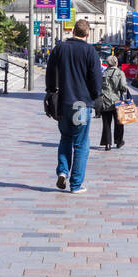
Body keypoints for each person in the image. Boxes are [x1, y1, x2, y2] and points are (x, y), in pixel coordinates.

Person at [44, 18, 103, 193]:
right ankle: (76, 184)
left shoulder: (59, 48)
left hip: (63, 102)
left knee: (65, 138)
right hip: (81, 103)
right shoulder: (90, 52)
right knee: (81, 143)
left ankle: (62, 171)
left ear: (72, 32)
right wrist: (97, 96)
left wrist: (50, 91)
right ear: (87, 33)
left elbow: (50, 71)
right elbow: (95, 78)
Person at [99, 55, 130, 150]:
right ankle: (119, 141)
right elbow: (123, 87)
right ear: (116, 63)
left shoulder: (103, 73)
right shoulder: (120, 73)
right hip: (117, 101)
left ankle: (107, 143)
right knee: (119, 122)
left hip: (105, 101)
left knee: (106, 123)